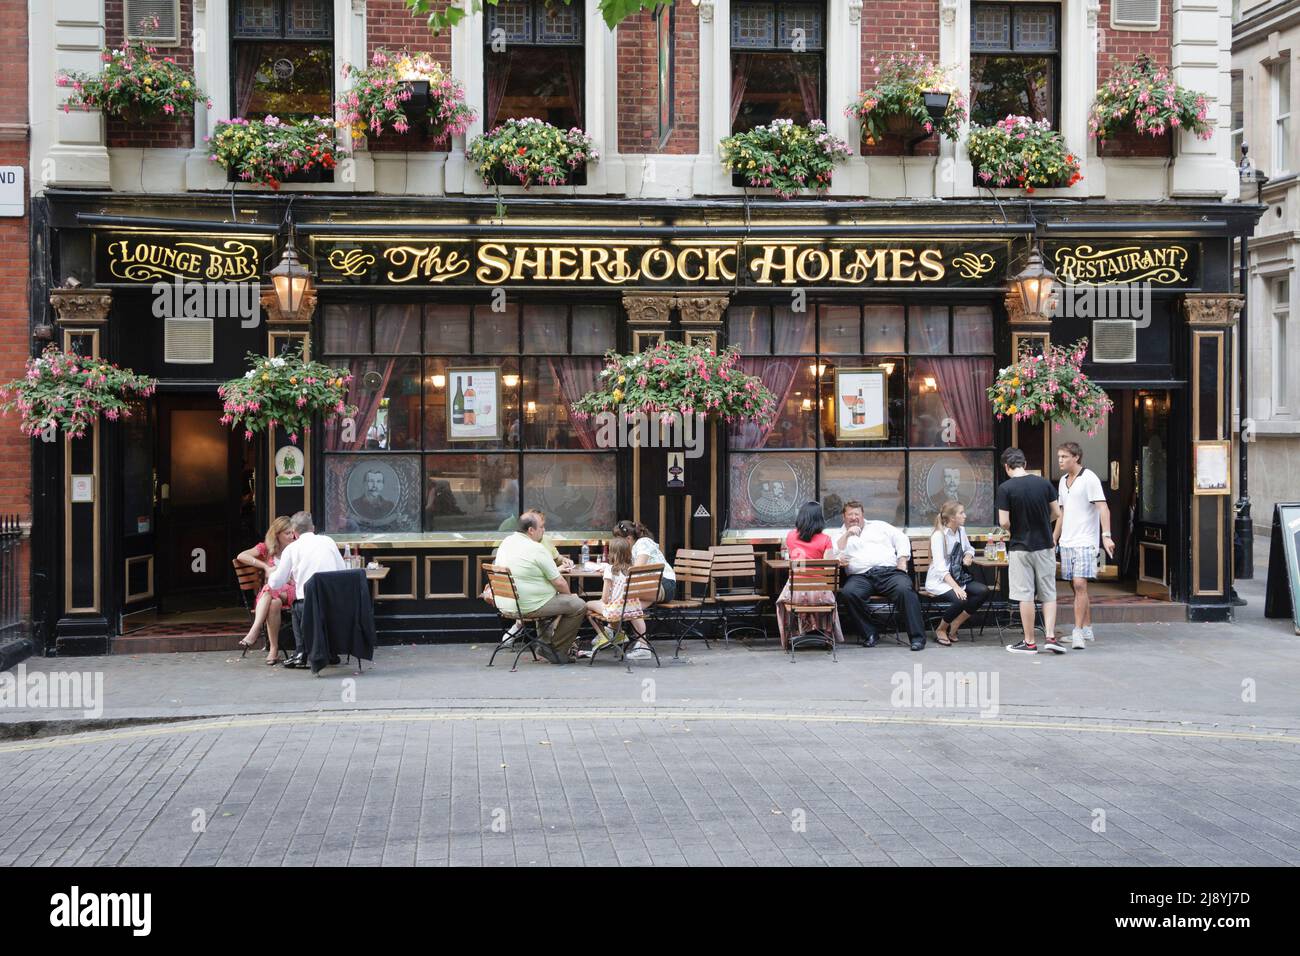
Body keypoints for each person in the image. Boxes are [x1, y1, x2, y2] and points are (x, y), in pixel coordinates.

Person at [492, 510, 586, 664]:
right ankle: (557, 651)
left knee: (550, 600)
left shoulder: (507, 541)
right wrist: (569, 597)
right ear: (531, 530)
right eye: (542, 527)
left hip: (505, 603)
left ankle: (545, 646)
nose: (544, 530)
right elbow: (559, 582)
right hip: (528, 605)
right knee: (578, 605)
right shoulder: (536, 548)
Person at [996, 448, 1065, 655]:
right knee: (1048, 592)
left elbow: (1004, 521)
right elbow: (1056, 513)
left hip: (1020, 547)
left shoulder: (1005, 488)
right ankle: (1051, 637)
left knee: (1025, 594)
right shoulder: (1044, 483)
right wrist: (1044, 523)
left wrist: (1015, 528)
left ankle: (1029, 642)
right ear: (1024, 464)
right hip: (1045, 545)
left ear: (1007, 467)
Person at [835, 500, 927, 651]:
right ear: (843, 517)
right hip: (860, 576)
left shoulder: (879, 526)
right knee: (848, 593)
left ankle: (917, 638)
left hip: (888, 573)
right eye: (850, 514)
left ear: (863, 515)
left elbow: (901, 538)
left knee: (905, 589)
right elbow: (834, 552)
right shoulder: (839, 534)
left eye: (856, 514)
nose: (853, 517)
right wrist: (846, 536)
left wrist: (902, 559)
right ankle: (870, 633)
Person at [266, 511, 347, 669]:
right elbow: (342, 569)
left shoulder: (292, 549)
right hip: (333, 602)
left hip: (307, 604)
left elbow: (276, 582)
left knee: (296, 605)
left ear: (295, 532)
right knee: (306, 603)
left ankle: (301, 653)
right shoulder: (328, 541)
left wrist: (270, 576)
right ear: (313, 528)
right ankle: (330, 652)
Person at [1054, 441, 1114, 649]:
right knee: (1076, 587)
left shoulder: (1089, 478)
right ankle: (1087, 629)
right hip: (1067, 542)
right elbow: (1062, 513)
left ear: (1076, 457)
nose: (1060, 460)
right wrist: (1054, 538)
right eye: (1059, 456)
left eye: (1064, 457)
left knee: (1080, 584)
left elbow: (1103, 508)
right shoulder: (1062, 481)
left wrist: (1106, 535)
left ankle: (1077, 632)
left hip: (1085, 541)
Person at [775, 501, 844, 649]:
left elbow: (792, 558)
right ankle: (828, 636)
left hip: (795, 594)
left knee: (782, 602)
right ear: (820, 519)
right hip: (821, 594)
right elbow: (828, 567)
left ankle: (792, 635)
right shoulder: (826, 539)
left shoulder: (791, 536)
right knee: (826, 600)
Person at [924, 501, 989, 646]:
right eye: (961, 513)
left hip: (958, 576)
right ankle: (941, 629)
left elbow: (969, 548)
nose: (965, 515)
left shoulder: (961, 531)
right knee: (960, 599)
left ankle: (955, 624)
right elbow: (940, 568)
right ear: (952, 518)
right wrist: (956, 588)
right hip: (940, 580)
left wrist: (968, 556)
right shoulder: (938, 536)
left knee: (982, 591)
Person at [235, 516, 296, 664]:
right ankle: (273, 651)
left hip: (291, 590)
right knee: (273, 602)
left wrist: (285, 577)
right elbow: (241, 556)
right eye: (287, 533)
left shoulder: (296, 547)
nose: (291, 536)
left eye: (292, 532)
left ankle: (254, 630)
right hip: (271, 597)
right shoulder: (267, 548)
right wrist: (265, 567)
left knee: (269, 589)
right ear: (277, 534)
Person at [581, 535, 653, 661]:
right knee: (632, 609)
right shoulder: (633, 569)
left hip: (615, 611)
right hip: (631, 609)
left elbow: (604, 598)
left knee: (586, 606)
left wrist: (602, 602)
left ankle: (604, 636)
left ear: (612, 554)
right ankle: (643, 645)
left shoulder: (610, 569)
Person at [613, 520, 676, 603]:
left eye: (618, 541)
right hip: (649, 585)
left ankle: (616, 610)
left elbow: (637, 569)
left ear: (628, 538)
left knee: (624, 592)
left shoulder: (643, 542)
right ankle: (620, 611)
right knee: (624, 596)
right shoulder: (631, 549)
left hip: (664, 583)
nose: (617, 544)